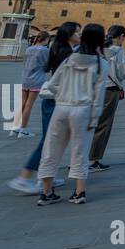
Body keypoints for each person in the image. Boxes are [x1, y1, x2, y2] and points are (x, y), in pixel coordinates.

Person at [37, 23, 109, 205]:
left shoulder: (70, 60)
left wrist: (64, 95)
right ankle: (79, 192)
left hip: (61, 107)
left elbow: (52, 84)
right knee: (80, 151)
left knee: (51, 149)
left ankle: (45, 193)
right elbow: (99, 96)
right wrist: (94, 119)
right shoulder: (101, 64)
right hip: (83, 110)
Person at [6, 23, 81, 194]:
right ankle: (24, 177)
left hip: (52, 99)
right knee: (48, 141)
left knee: (55, 140)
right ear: (68, 34)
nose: (79, 34)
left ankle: (47, 175)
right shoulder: (67, 53)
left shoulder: (58, 49)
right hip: (57, 100)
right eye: (77, 31)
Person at [88, 25, 125, 172]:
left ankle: (81, 157)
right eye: (123, 37)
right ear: (120, 36)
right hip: (109, 90)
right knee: (103, 125)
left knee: (91, 123)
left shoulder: (98, 48)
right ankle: (93, 160)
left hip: (93, 89)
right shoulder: (117, 51)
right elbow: (123, 73)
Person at [11, 33, 51, 138]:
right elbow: (47, 64)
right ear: (46, 39)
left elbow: (24, 63)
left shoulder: (29, 49)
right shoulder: (44, 50)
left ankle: (15, 128)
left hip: (25, 77)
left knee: (22, 103)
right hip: (36, 78)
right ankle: (23, 129)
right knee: (29, 104)